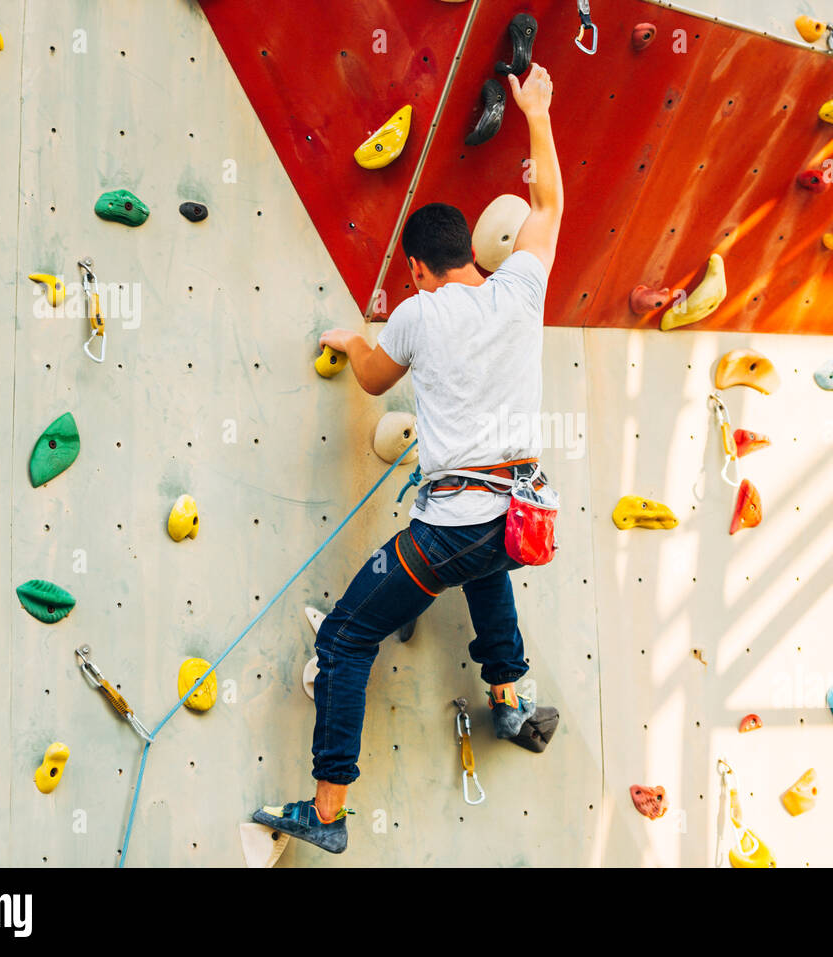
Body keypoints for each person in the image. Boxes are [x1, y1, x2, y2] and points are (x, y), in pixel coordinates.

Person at [253, 63, 564, 854]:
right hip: (524, 513)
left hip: (455, 520)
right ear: (470, 250)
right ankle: (512, 700)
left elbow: (372, 377)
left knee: (347, 638)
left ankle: (325, 811)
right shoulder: (520, 287)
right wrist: (537, 111)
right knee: (484, 561)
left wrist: (355, 338)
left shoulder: (420, 314)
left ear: (419, 269)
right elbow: (548, 204)